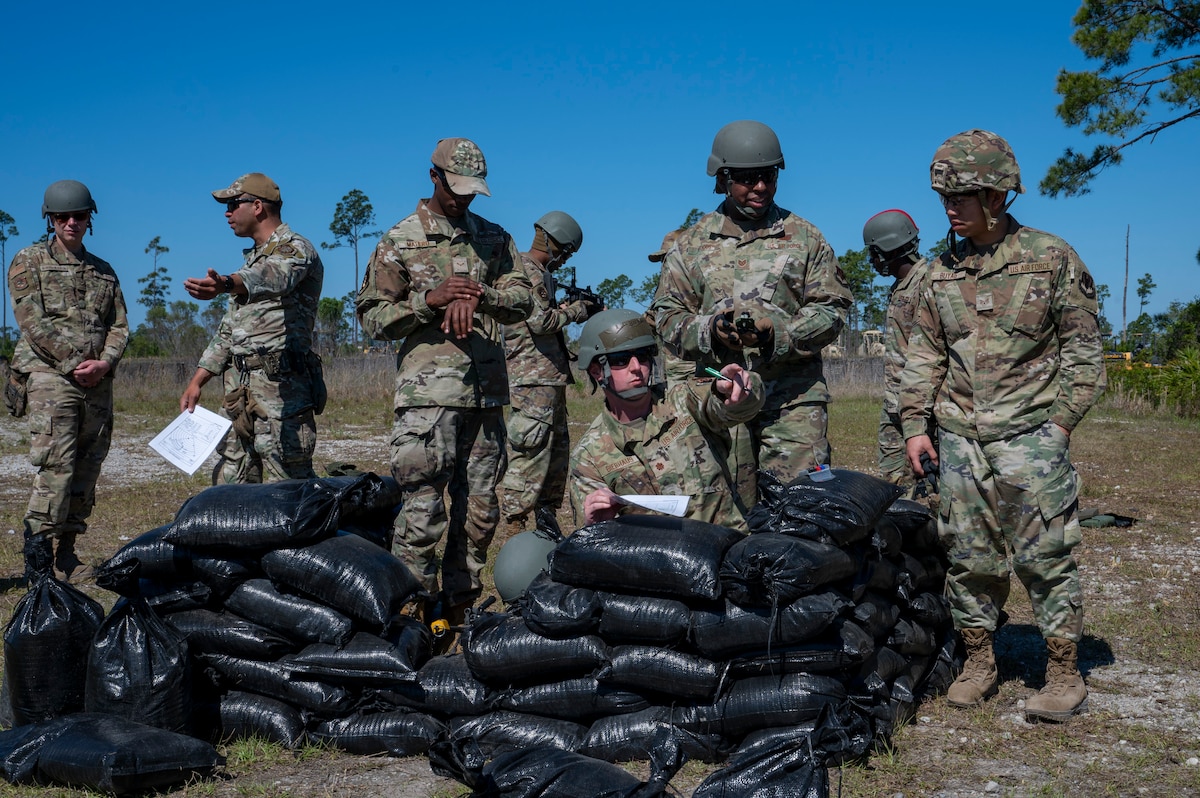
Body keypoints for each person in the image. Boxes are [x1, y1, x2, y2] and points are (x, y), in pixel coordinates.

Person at [899, 129, 1106, 722]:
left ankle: (1064, 673)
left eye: (961, 196)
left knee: (1046, 557)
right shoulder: (936, 274)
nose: (949, 208)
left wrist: (1060, 427)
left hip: (1031, 437)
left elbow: (1084, 352)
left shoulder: (1051, 258)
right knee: (971, 558)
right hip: (960, 442)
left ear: (997, 195)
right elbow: (924, 356)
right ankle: (980, 661)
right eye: (944, 197)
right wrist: (916, 426)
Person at [357, 137, 534, 633]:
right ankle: (411, 611)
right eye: (455, 189)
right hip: (428, 403)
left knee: (479, 511)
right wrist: (428, 301)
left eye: (472, 191)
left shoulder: (494, 239)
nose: (463, 199)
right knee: (422, 510)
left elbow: (524, 299)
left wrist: (483, 294)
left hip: (486, 395)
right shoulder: (401, 240)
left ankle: (460, 612)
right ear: (433, 177)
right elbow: (372, 319)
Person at [650, 120, 853, 483]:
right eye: (747, 178)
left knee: (800, 509)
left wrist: (777, 333)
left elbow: (832, 308)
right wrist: (709, 330)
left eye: (769, 176)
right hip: (720, 399)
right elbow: (666, 317)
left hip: (792, 403)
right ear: (723, 179)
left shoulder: (806, 238)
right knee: (724, 518)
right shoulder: (691, 245)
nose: (760, 187)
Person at [7, 180, 129, 581]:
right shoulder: (29, 261)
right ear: (50, 219)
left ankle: (67, 556)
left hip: (97, 381)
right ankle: (38, 563)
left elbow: (119, 326)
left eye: (79, 216)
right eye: (63, 217)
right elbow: (32, 323)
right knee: (56, 466)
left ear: (90, 218)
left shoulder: (104, 272)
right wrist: (79, 362)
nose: (72, 223)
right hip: (50, 377)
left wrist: (105, 364)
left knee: (87, 466)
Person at [180, 173, 325, 484]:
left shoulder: (296, 249)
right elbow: (229, 329)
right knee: (233, 487)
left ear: (258, 206)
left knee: (287, 490)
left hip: (281, 394)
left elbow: (276, 276)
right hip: (240, 393)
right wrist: (198, 380)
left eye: (233, 204)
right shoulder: (251, 262)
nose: (227, 213)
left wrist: (228, 284)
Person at [569, 308, 763, 532]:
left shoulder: (684, 400)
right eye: (621, 360)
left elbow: (728, 403)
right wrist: (595, 525)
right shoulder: (588, 456)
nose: (636, 368)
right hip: (658, 563)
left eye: (642, 356)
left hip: (728, 550)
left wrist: (735, 391)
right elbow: (594, 538)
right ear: (596, 371)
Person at [499, 211, 600, 536]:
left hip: (547, 380)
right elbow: (540, 322)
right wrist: (578, 310)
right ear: (556, 244)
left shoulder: (539, 272)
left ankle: (546, 533)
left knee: (555, 460)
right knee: (530, 458)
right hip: (532, 381)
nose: (565, 259)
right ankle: (516, 535)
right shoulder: (526, 270)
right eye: (567, 252)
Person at [861, 209, 935, 499]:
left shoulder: (927, 283)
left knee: (926, 479)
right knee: (894, 482)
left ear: (888, 249)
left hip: (920, 404)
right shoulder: (900, 287)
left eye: (875, 252)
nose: (873, 260)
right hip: (894, 401)